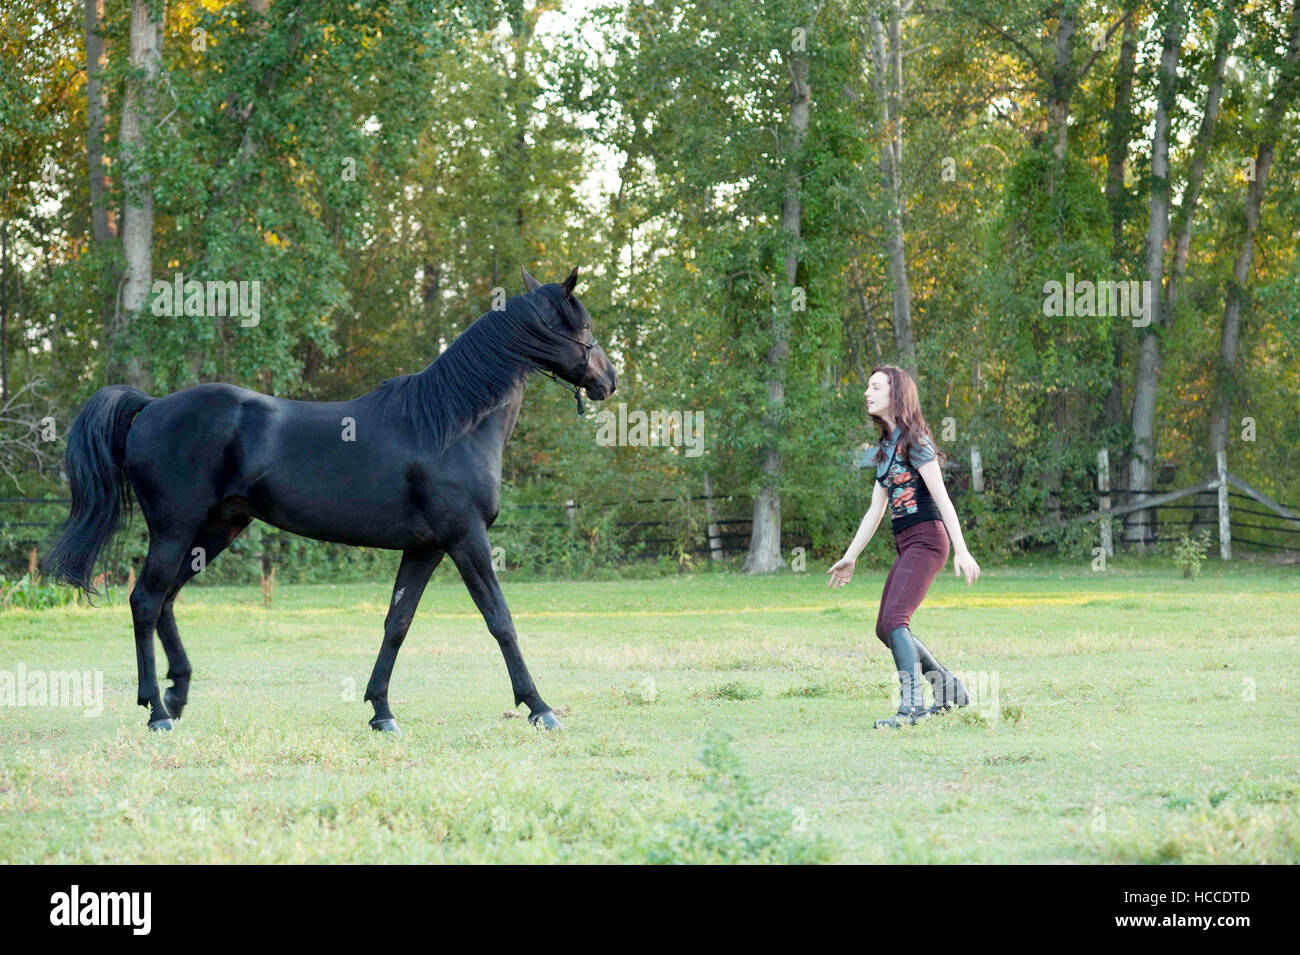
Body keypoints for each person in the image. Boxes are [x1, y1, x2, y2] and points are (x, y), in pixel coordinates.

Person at [827, 365, 981, 728]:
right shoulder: (885, 450)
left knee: (897, 620)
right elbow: (874, 510)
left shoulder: (917, 442)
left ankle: (910, 708)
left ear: (896, 395)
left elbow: (943, 500)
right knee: (885, 627)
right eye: (868, 386)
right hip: (906, 542)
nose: (867, 392)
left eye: (875, 387)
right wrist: (850, 557)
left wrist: (962, 548)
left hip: (928, 540)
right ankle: (948, 690)